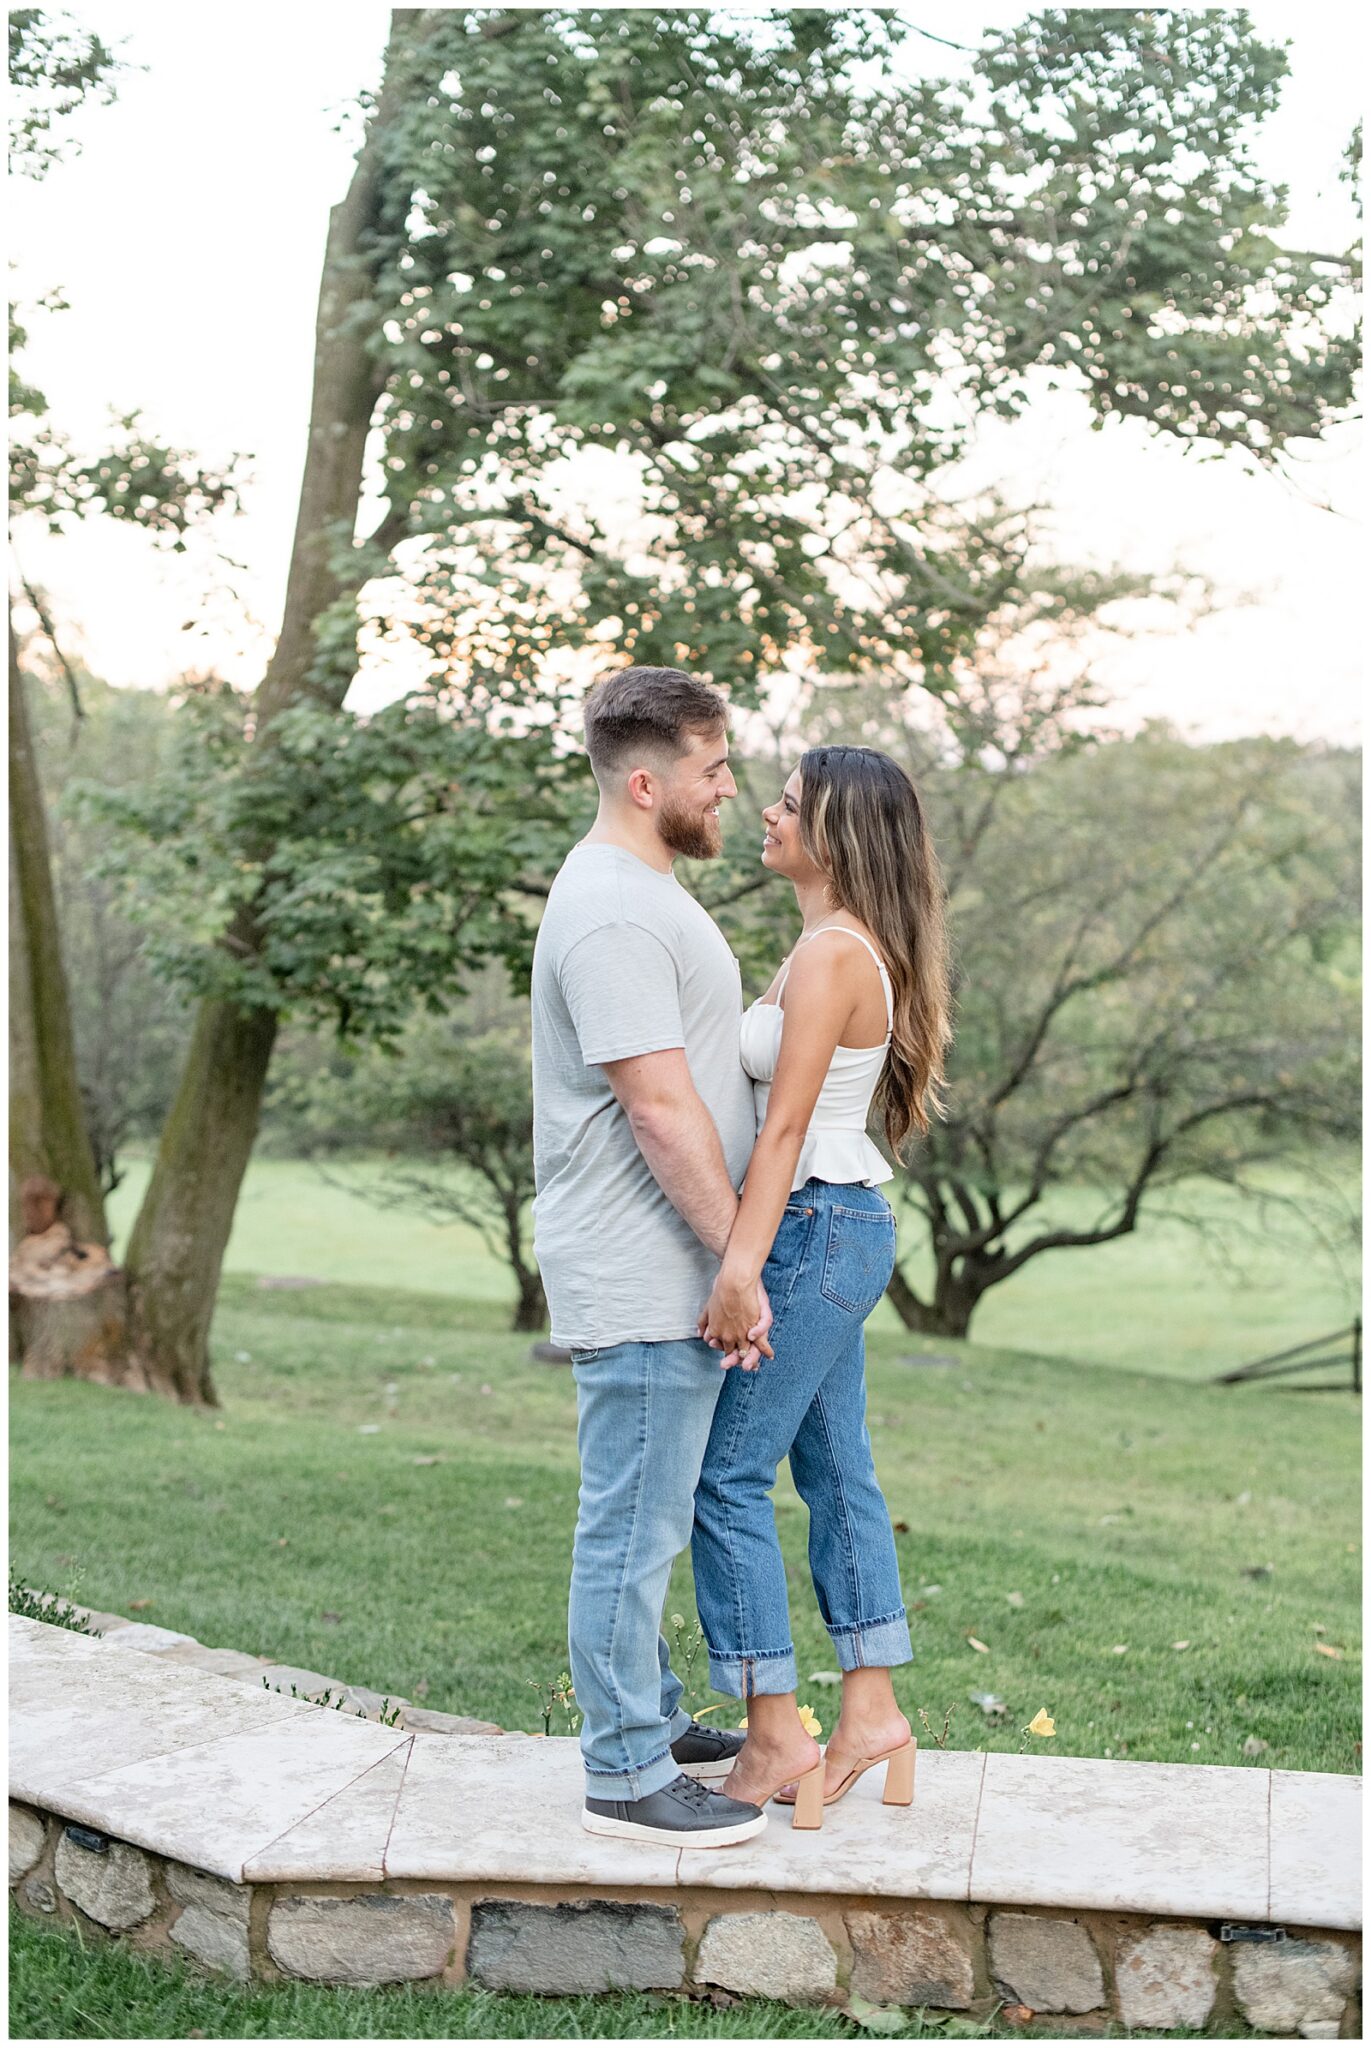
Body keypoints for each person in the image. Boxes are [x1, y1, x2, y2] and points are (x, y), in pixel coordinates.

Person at [530, 665, 774, 1848]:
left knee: (654, 1516)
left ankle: (655, 1717)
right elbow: (661, 1108)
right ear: (646, 780)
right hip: (641, 1269)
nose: (731, 788)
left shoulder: (639, 891)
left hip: (664, 1265)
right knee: (630, 1525)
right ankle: (624, 1770)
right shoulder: (616, 909)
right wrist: (739, 1258)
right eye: (713, 771)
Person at [691, 743, 951, 1828]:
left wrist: (739, 1265)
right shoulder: (831, 943)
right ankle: (872, 1708)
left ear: (838, 833)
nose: (766, 810)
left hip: (810, 1224)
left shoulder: (837, 954)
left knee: (726, 1475)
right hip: (837, 1222)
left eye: (791, 805)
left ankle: (773, 1731)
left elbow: (787, 1127)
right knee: (839, 1468)